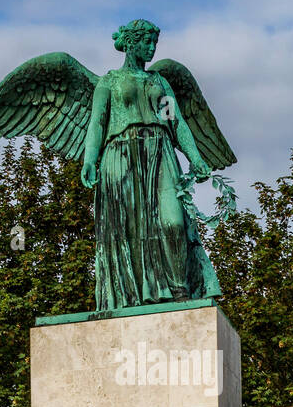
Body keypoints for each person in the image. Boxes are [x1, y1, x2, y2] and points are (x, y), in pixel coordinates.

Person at [82, 18, 221, 310]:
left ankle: (180, 289)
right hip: (120, 155)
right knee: (130, 230)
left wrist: (196, 158)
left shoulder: (160, 82)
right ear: (131, 43)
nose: (151, 48)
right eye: (146, 42)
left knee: (173, 222)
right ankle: (136, 293)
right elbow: (97, 123)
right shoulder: (109, 82)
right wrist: (90, 160)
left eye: (154, 43)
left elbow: (176, 121)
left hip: (160, 153)